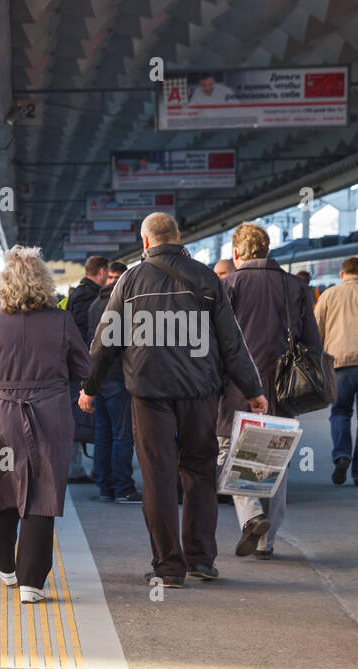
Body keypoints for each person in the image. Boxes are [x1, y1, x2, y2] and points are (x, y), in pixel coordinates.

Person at [80, 212, 267, 588]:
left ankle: (168, 567)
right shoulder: (205, 276)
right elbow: (231, 341)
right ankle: (201, 560)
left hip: (149, 395)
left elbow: (106, 341)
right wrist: (253, 389)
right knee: (199, 471)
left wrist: (90, 387)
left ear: (146, 242)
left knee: (158, 477)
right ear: (178, 237)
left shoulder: (130, 279)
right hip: (200, 392)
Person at [0, 246, 91, 604]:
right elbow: (85, 369)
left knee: (2, 485)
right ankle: (32, 582)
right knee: (41, 493)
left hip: (1, 420)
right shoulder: (62, 322)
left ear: (5, 283)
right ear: (45, 283)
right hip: (49, 418)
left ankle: (4, 565)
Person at [219, 222, 324, 559]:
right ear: (266, 251)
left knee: (237, 453)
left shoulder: (229, 284)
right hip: (282, 387)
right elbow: (312, 343)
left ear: (236, 254)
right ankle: (268, 541)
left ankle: (252, 516)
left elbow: (215, 341)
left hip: (238, 385)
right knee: (275, 458)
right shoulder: (294, 285)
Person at [85, 261, 142, 504]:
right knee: (122, 436)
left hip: (98, 379)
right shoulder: (126, 305)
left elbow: (92, 343)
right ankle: (123, 488)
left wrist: (90, 383)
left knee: (103, 435)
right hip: (120, 378)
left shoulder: (95, 304)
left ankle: (105, 488)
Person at [313, 255, 358, 486]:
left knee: (340, 412)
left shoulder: (330, 294)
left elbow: (316, 328)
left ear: (342, 275)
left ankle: (342, 455)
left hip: (339, 364)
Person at [67, 256, 110, 481]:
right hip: (83, 365)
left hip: (77, 363)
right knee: (81, 415)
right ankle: (75, 468)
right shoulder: (88, 295)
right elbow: (87, 333)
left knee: (78, 415)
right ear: (102, 272)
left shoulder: (78, 293)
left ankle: (79, 467)